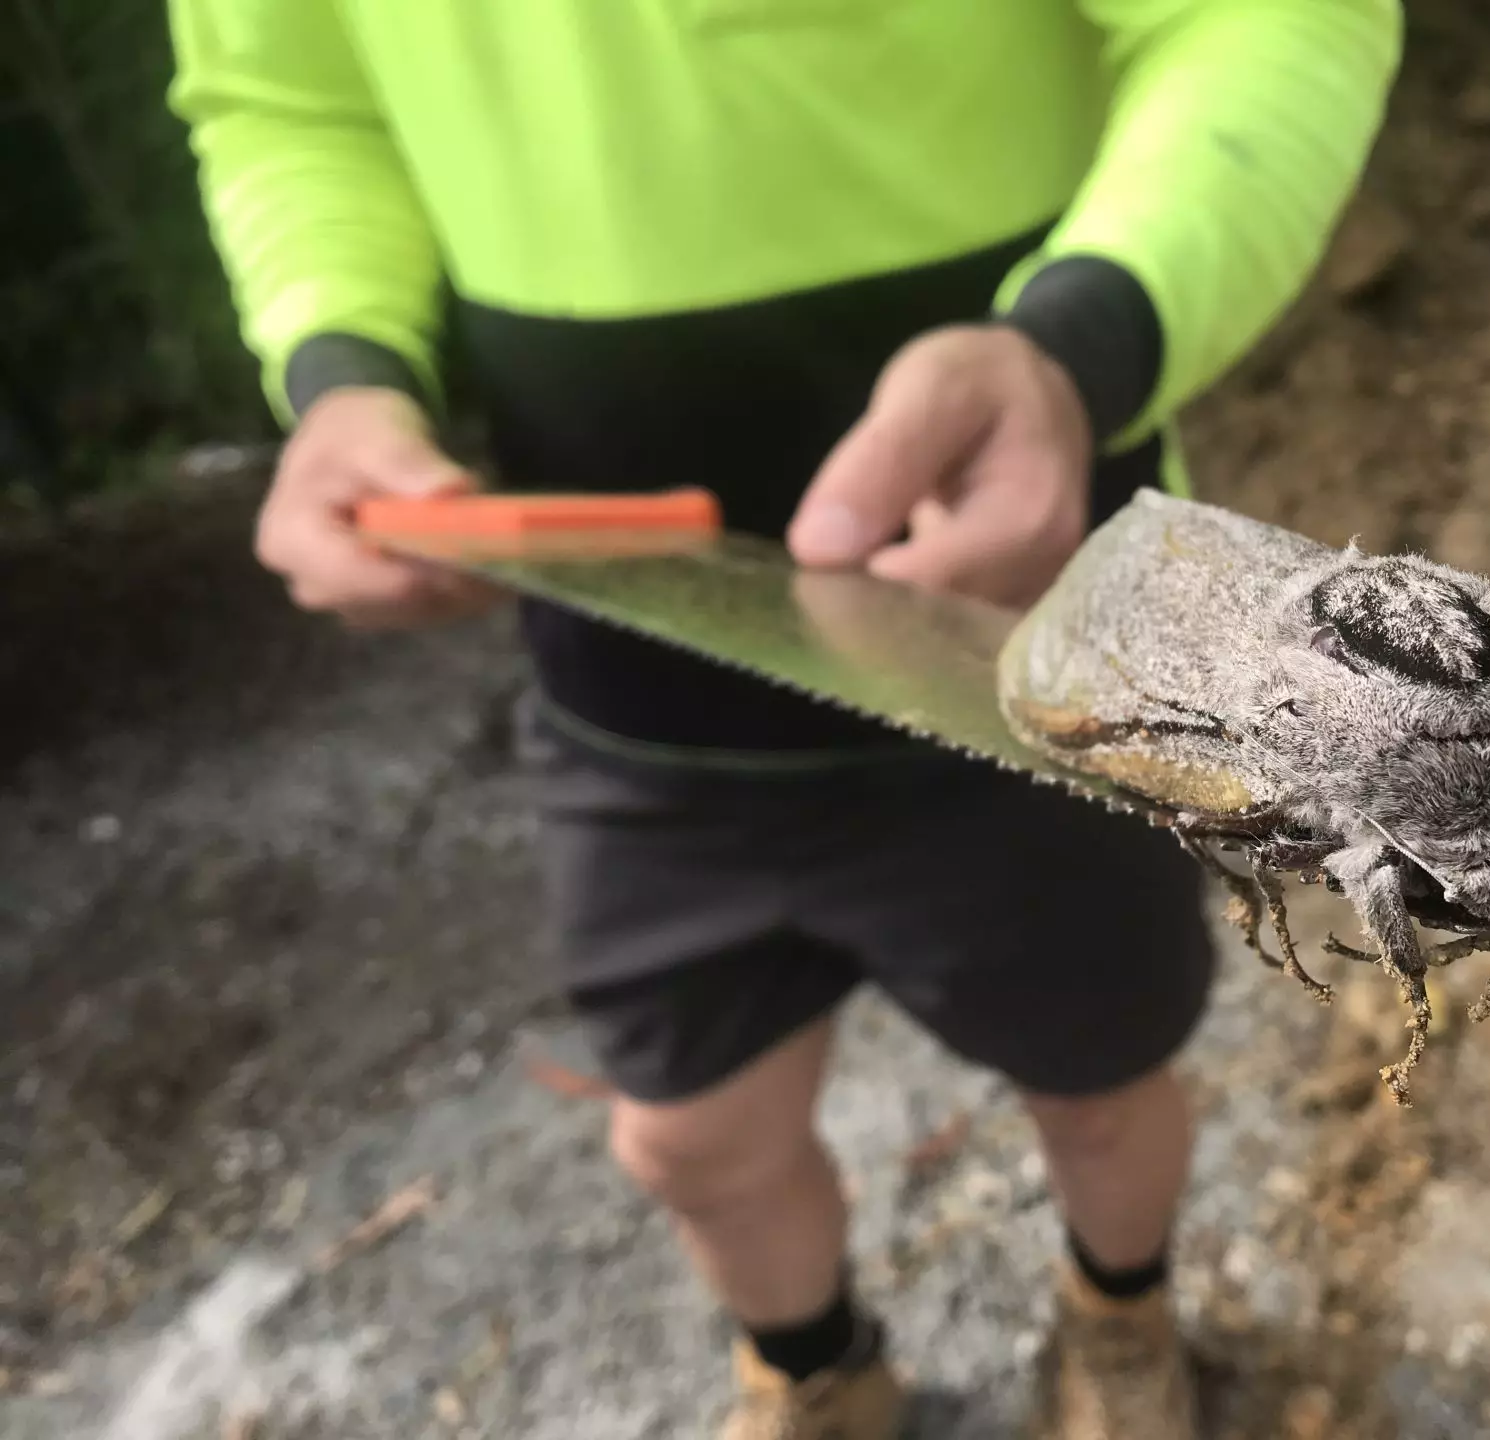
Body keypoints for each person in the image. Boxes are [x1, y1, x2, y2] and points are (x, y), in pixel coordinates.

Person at [165, 4, 1400, 1435]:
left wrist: (1081, 346)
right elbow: (286, 101)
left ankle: (1119, 1315)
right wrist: (342, 372)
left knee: (1108, 1084)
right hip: (632, 685)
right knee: (694, 1140)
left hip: (1029, 651)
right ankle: (815, 1372)